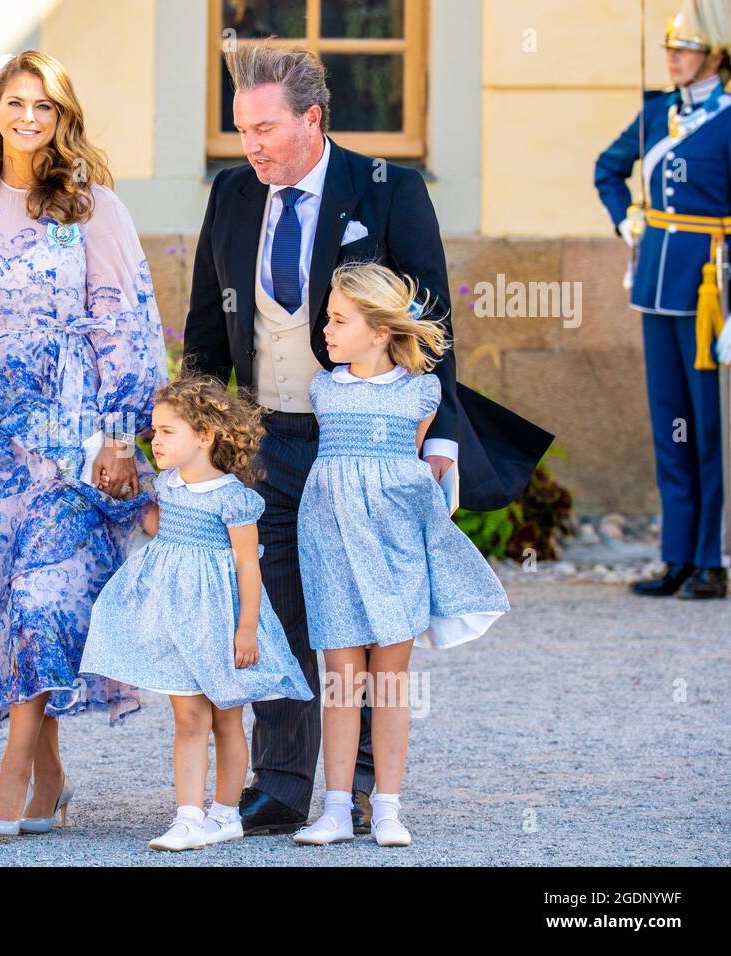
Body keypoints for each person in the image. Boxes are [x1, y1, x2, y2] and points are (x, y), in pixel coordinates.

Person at [182, 42, 553, 837]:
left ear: (312, 120)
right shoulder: (232, 193)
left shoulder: (387, 190)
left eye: (265, 128)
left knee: (362, 618)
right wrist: (201, 443)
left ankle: (359, 791)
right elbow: (207, 331)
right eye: (241, 128)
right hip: (260, 440)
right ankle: (282, 783)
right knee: (275, 611)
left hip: (364, 444)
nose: (250, 144)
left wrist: (442, 442)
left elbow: (437, 323)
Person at [0, 51, 169, 837]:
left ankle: (14, 773)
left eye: (45, 106)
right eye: (16, 102)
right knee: (13, 601)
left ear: (63, 118)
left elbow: (126, 325)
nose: (29, 117)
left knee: (45, 598)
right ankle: (52, 778)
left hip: (76, 435)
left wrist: (123, 437)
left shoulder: (94, 208)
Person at [291, 262, 510, 849]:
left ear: (381, 330)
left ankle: (386, 806)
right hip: (331, 542)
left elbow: (407, 473)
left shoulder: (421, 391)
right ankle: (336, 807)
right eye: (327, 319)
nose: (327, 331)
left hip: (394, 545)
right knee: (341, 678)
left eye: (339, 321)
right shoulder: (324, 388)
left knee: (388, 680)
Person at [80, 375, 313, 851]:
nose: (154, 440)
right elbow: (160, 529)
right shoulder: (166, 485)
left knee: (227, 716)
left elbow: (249, 565)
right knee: (188, 716)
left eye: (167, 432)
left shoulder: (234, 498)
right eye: (154, 431)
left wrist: (246, 630)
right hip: (177, 621)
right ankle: (188, 816)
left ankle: (225, 814)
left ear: (204, 436)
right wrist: (125, 504)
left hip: (221, 621)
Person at [594, 0, 731, 599]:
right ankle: (676, 555)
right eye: (671, 49)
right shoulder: (655, 113)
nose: (674, 58)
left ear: (716, 56)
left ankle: (711, 558)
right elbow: (607, 168)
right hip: (655, 284)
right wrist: (626, 218)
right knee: (670, 426)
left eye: (686, 49)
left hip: (710, 289)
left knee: (706, 430)